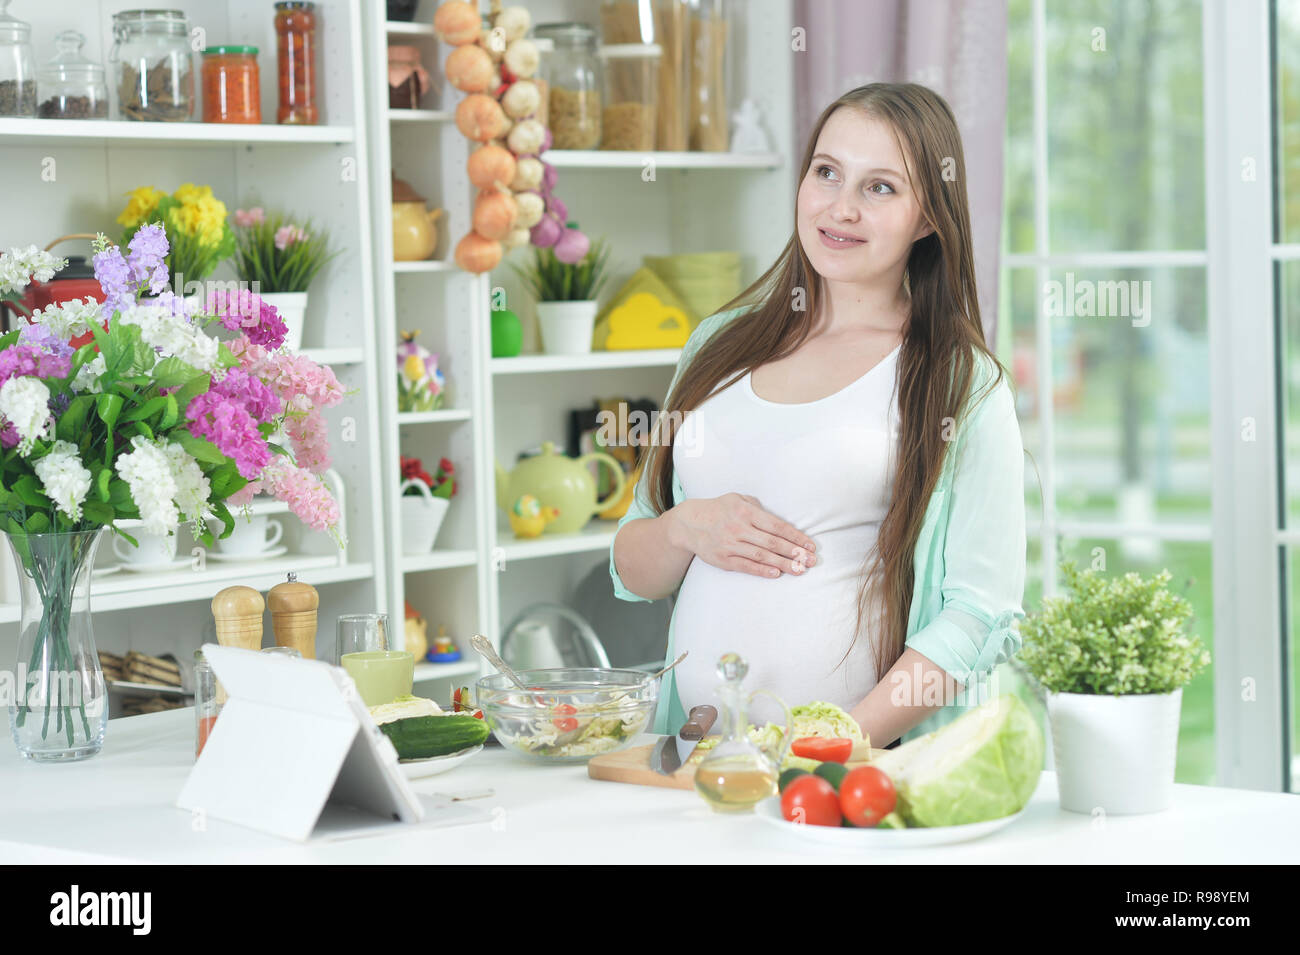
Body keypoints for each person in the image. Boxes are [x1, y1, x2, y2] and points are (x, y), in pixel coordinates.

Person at [608, 83, 1027, 747]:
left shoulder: (961, 384)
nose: (841, 207)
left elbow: (979, 615)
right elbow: (632, 564)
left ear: (927, 217)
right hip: (693, 761)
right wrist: (687, 526)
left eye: (880, 187)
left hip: (841, 778)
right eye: (827, 172)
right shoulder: (718, 344)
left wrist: (831, 749)